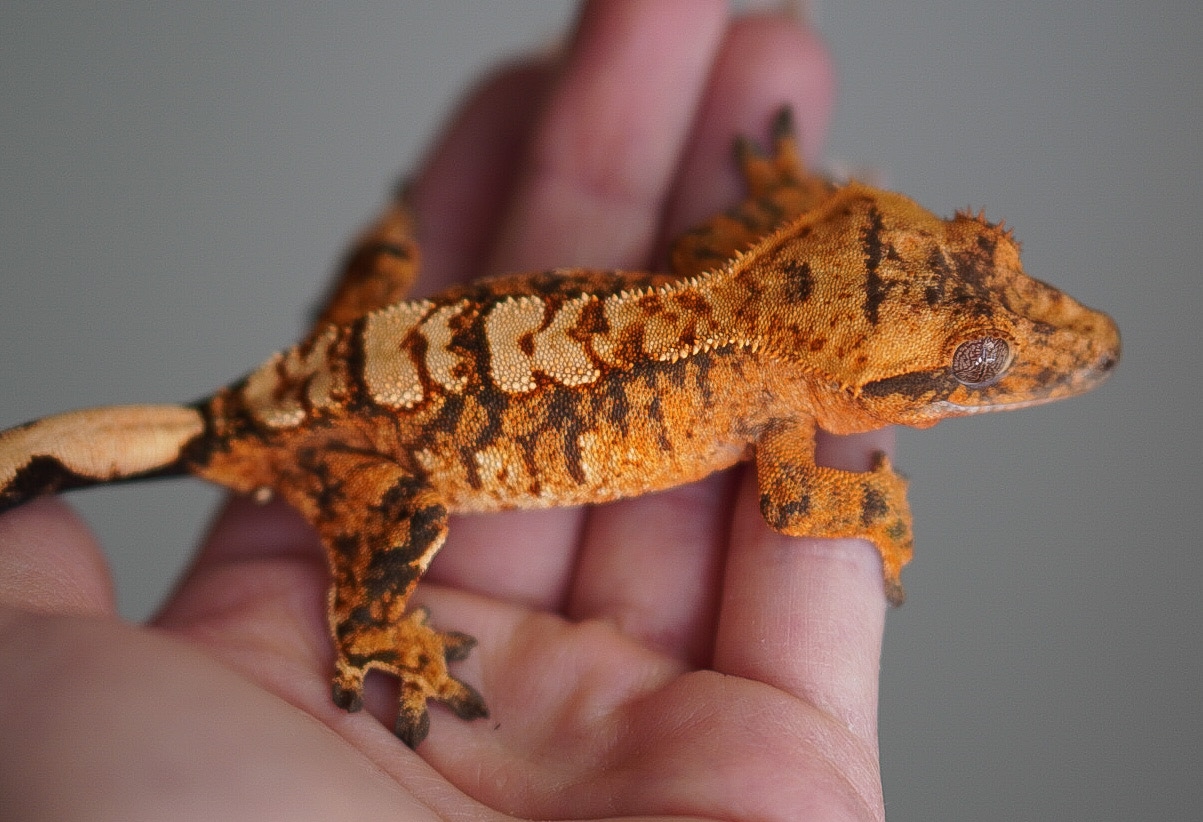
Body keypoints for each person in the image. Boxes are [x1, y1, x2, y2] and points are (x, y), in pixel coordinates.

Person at [0, 2, 890, 819]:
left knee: (382, 320)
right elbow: (796, 500)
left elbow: (713, 255)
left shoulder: (740, 293)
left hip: (360, 365)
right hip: (334, 434)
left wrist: (785, 204)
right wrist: (879, 506)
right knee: (409, 515)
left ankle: (365, 298)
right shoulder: (776, 390)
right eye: (961, 368)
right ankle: (368, 631)